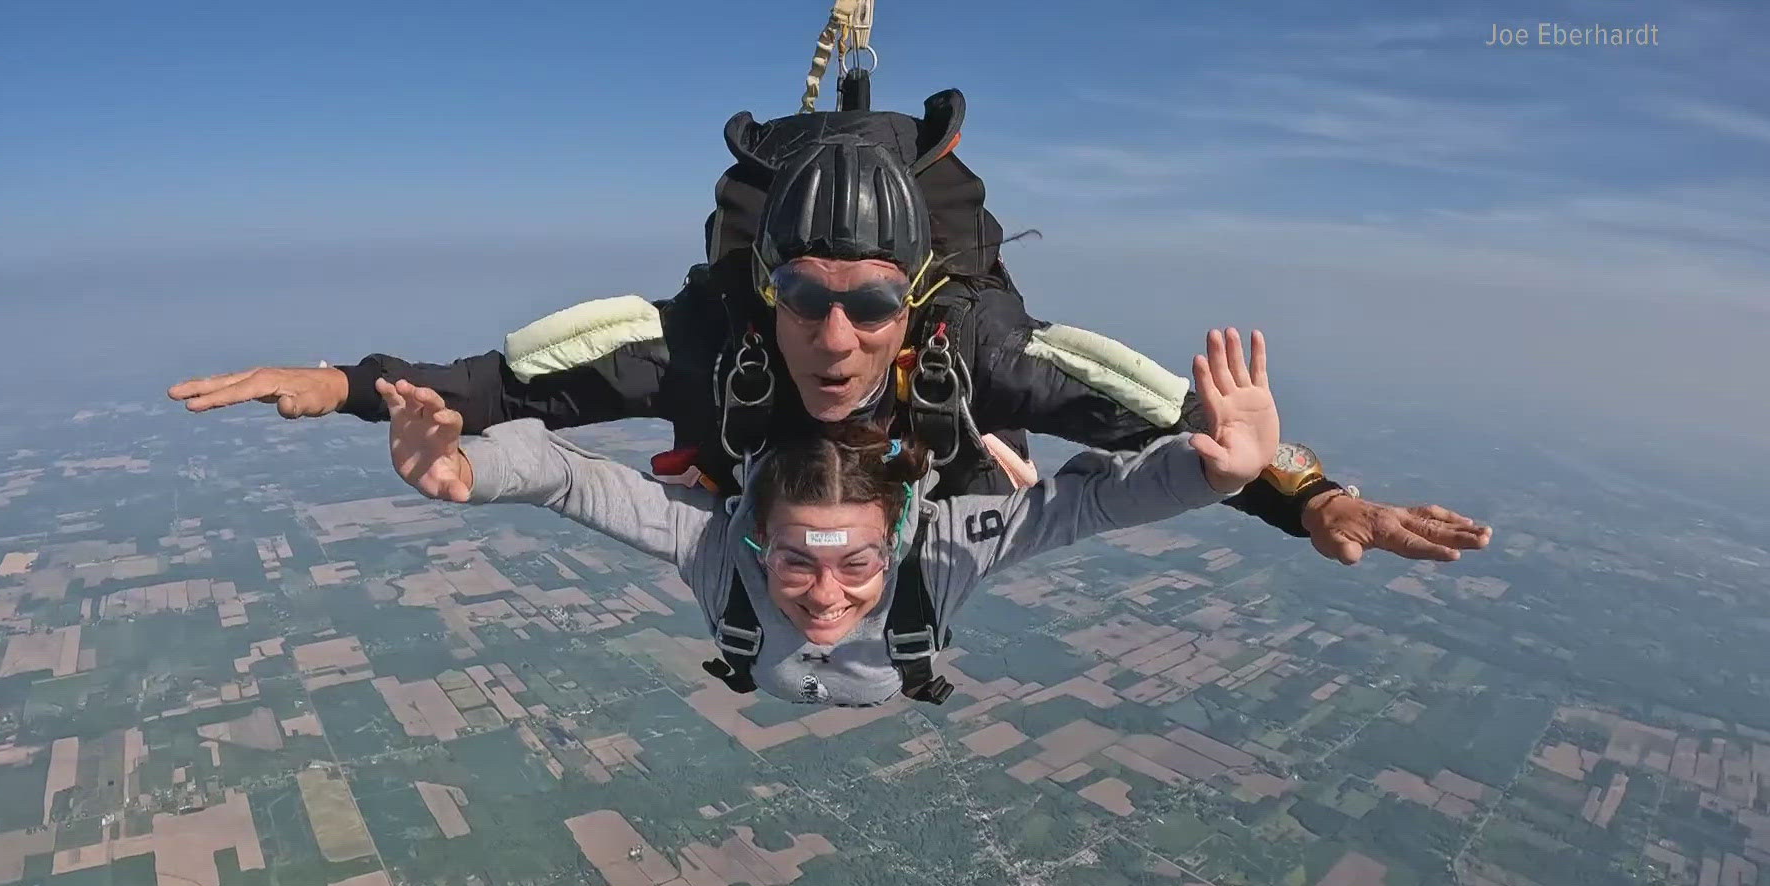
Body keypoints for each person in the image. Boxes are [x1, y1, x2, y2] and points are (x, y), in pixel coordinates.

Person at [171, 91, 1490, 566]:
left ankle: (980, 462)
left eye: (870, 304)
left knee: (985, 465)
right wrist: (343, 381)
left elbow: (1192, 433)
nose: (839, 336)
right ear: (770, 291)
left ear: (913, 300)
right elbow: (493, 386)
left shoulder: (975, 354)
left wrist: (1316, 498)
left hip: (940, 453)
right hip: (775, 454)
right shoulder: (704, 343)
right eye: (805, 297)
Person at [375, 326, 1282, 707]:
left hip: (931, 489)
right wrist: (467, 470)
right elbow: (568, 480)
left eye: (855, 563)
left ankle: (973, 430)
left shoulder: (939, 552)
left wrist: (1218, 475)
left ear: (894, 541)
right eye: (797, 562)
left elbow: (1088, 503)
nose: (823, 596)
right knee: (1002, 486)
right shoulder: (719, 547)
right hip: (840, 504)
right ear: (757, 540)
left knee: (1000, 479)